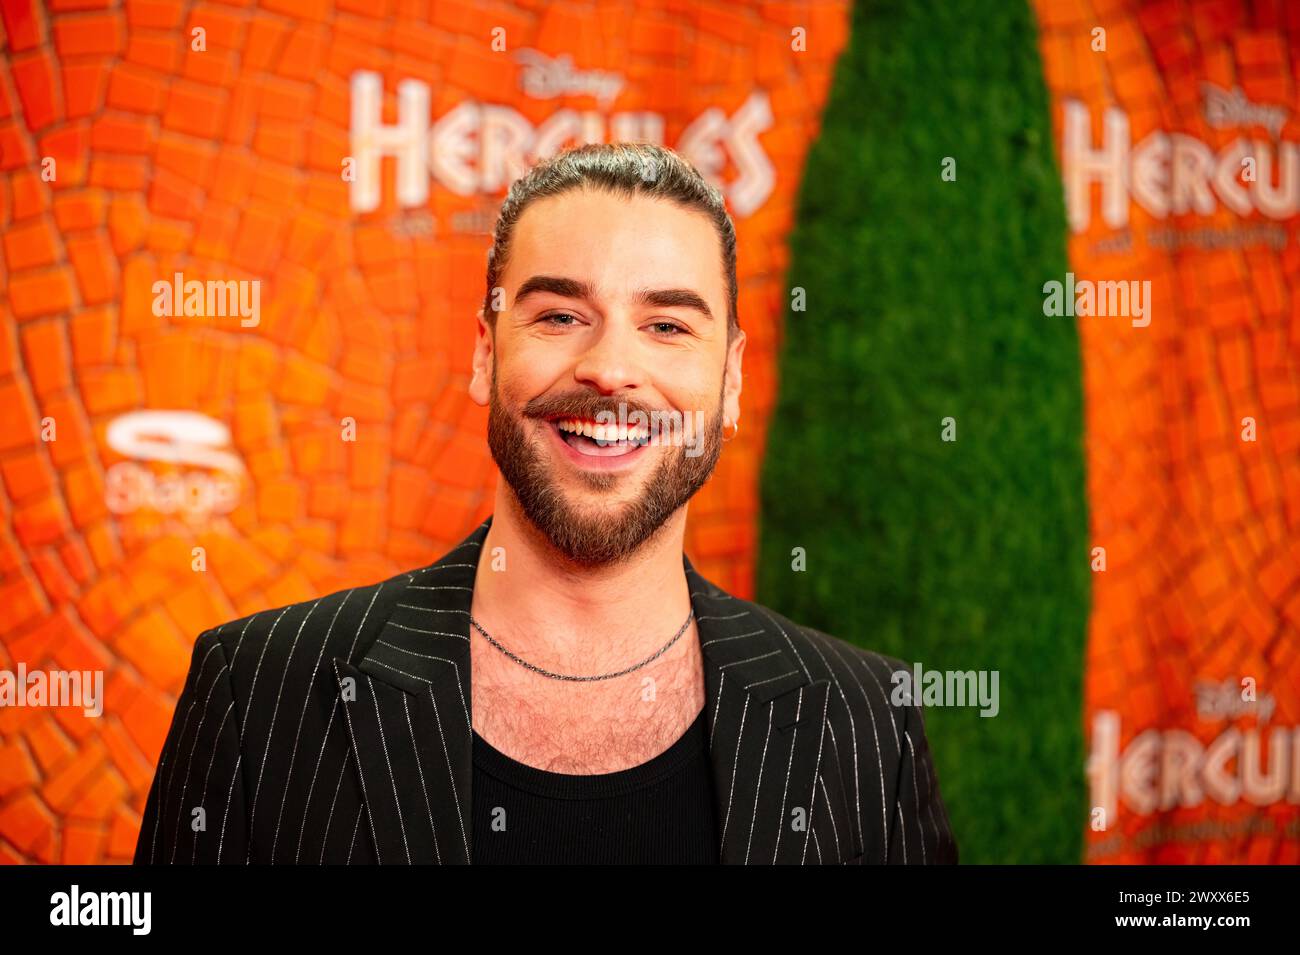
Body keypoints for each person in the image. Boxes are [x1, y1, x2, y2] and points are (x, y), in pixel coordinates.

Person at [135, 142, 958, 865]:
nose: (610, 368)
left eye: (667, 325)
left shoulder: (861, 725)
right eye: (561, 315)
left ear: (732, 380)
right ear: (485, 355)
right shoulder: (261, 693)